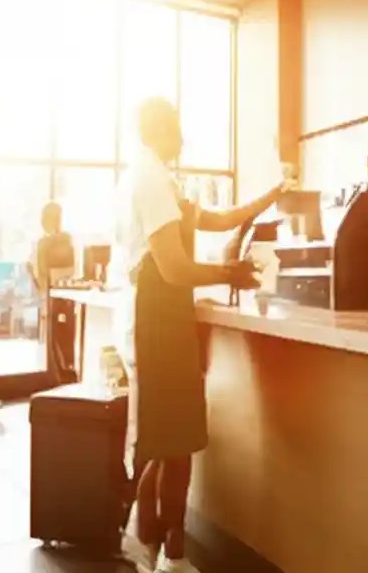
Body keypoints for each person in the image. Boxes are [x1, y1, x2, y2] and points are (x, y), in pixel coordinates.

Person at [117, 97, 293, 573]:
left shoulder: (155, 176)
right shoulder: (151, 179)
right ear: (159, 128)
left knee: (169, 438)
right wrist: (229, 274)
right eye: (177, 127)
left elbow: (215, 220)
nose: (184, 137)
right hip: (158, 314)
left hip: (162, 314)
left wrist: (270, 196)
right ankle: (167, 554)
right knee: (177, 440)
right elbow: (172, 268)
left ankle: (147, 541)